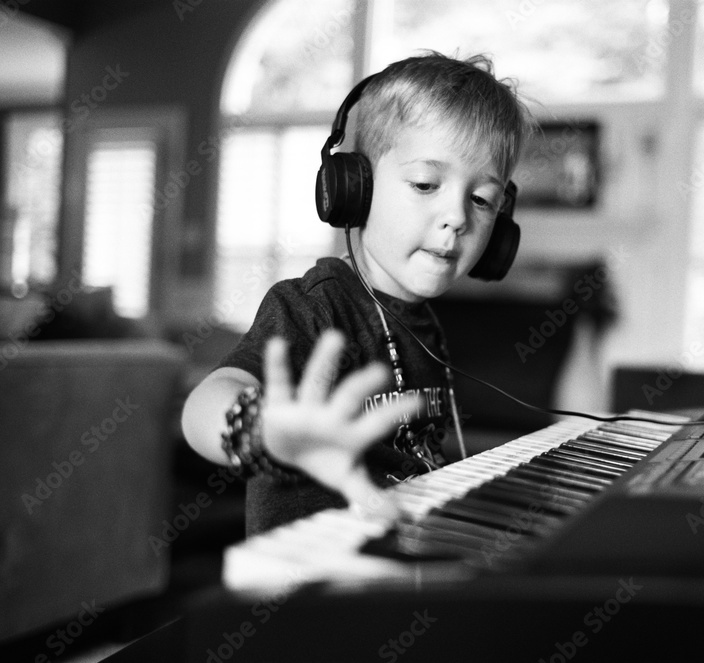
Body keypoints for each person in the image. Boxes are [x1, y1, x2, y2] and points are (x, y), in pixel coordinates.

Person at [181, 52, 531, 537]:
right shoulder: (315, 306)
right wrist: (271, 430)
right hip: (313, 590)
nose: (458, 217)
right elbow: (203, 406)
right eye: (426, 183)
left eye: (482, 200)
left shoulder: (421, 321)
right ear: (354, 187)